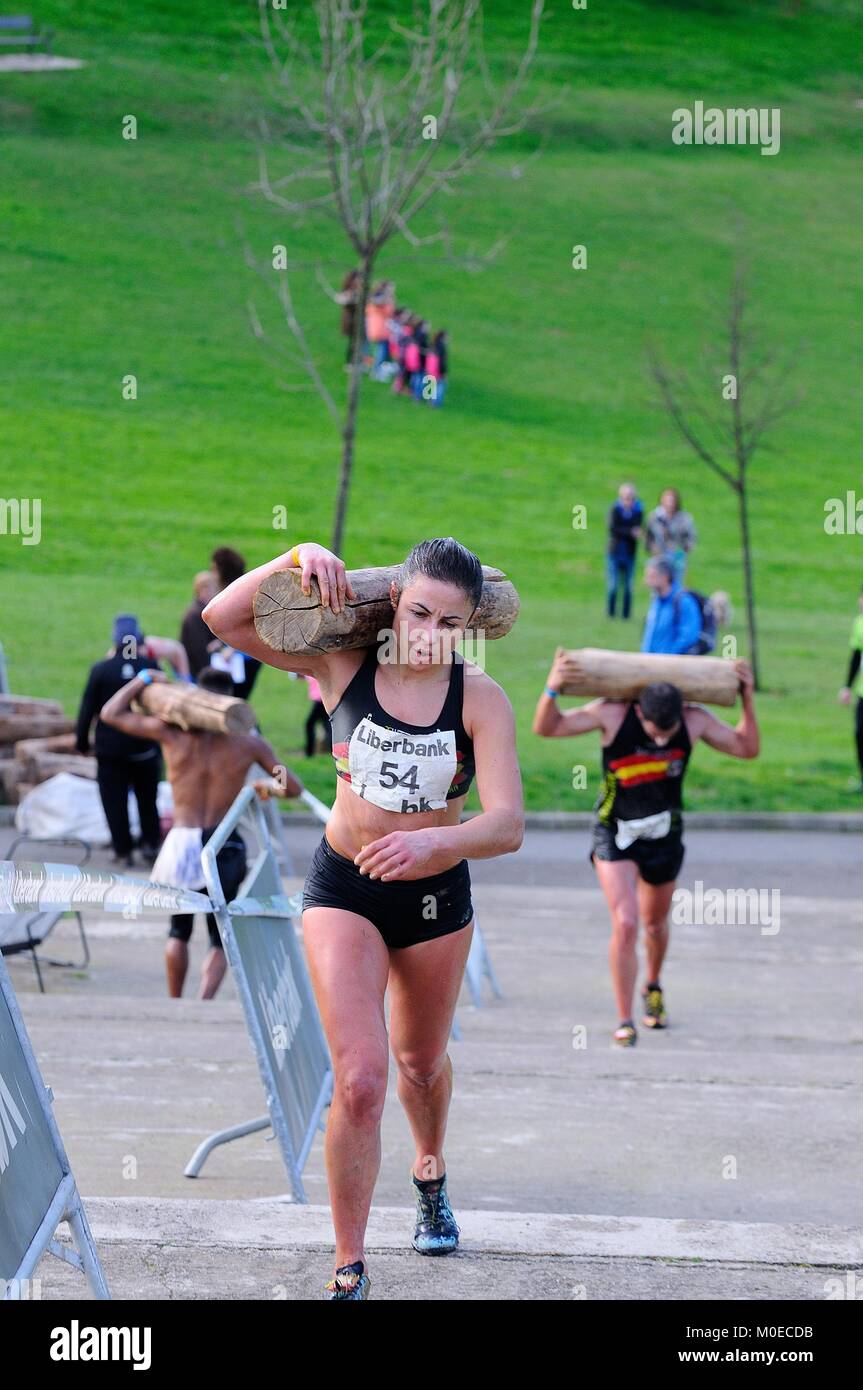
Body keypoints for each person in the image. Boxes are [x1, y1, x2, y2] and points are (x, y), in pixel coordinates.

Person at [203, 537, 524, 1300]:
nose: (428, 633)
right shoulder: (339, 666)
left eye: (449, 622)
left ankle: (430, 1167)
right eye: (417, 613)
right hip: (344, 885)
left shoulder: (477, 698)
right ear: (392, 604)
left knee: (417, 1065)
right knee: (361, 1080)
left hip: (433, 900)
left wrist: (435, 842)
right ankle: (349, 1264)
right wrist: (293, 556)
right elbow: (222, 618)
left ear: (470, 624)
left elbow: (507, 823)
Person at [533, 653, 759, 1046]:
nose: (659, 740)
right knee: (626, 922)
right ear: (639, 711)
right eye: (654, 732)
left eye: (666, 735)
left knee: (654, 925)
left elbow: (746, 748)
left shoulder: (694, 720)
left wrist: (749, 699)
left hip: (664, 836)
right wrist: (553, 686)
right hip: (614, 832)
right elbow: (547, 728)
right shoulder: (613, 715)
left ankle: (652, 986)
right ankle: (625, 1019)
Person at [99, 666, 304, 1000]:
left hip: (181, 842)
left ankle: (176, 1001)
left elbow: (111, 713)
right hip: (223, 842)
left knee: (178, 930)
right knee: (219, 933)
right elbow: (290, 785)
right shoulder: (251, 744)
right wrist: (261, 788)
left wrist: (145, 679)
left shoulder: (173, 734)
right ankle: (203, 1002)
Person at [76, 615, 167, 868]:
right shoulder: (150, 667)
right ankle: (150, 845)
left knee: (115, 802)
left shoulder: (101, 670)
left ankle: (122, 850)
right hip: (145, 749)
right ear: (138, 640)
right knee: (147, 800)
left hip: (111, 751)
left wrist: (82, 742)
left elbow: (87, 710)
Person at [211, 547, 261, 700]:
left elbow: (252, 624)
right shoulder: (237, 587)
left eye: (213, 569)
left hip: (247, 657)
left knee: (236, 702)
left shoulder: (239, 591)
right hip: (244, 657)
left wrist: (233, 650)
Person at [641, 557, 703, 655]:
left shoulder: (684, 602)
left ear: (664, 577)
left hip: (672, 666)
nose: (646, 581)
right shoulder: (657, 601)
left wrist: (669, 657)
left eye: (651, 576)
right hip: (651, 664)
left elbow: (688, 637)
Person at [606, 483, 643, 619]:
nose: (628, 500)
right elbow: (614, 529)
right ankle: (611, 613)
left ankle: (626, 615)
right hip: (615, 552)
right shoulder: (615, 509)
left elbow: (638, 530)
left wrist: (632, 532)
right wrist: (630, 532)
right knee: (613, 585)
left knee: (628, 586)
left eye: (630, 497)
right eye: (625, 497)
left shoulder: (638, 511)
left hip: (630, 553)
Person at [838, 585, 863, 791]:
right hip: (862, 692)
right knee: (860, 733)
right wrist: (847, 687)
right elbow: (856, 657)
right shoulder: (859, 624)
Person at [646, 488, 697, 583]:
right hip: (659, 555)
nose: (669, 504)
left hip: (678, 555)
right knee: (658, 582)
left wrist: (684, 549)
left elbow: (692, 537)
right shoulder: (654, 517)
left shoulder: (684, 518)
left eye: (672, 501)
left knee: (677, 582)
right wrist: (652, 548)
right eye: (667, 500)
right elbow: (648, 537)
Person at [179, 571, 217, 679]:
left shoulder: (203, 610)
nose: (214, 592)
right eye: (211, 588)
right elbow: (199, 649)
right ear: (202, 590)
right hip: (193, 670)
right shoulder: (195, 615)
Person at [365, 280, 395, 379]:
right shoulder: (380, 299)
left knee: (384, 350)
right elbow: (384, 308)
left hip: (380, 329)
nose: (392, 290)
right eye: (390, 288)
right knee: (380, 352)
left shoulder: (382, 298)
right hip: (380, 329)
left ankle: (383, 367)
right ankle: (376, 371)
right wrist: (388, 299)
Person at [425, 329, 448, 407]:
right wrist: (443, 372)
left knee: (431, 384)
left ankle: (429, 400)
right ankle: (435, 403)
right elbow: (442, 362)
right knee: (440, 387)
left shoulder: (432, 344)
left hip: (430, 368)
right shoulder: (442, 347)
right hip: (438, 370)